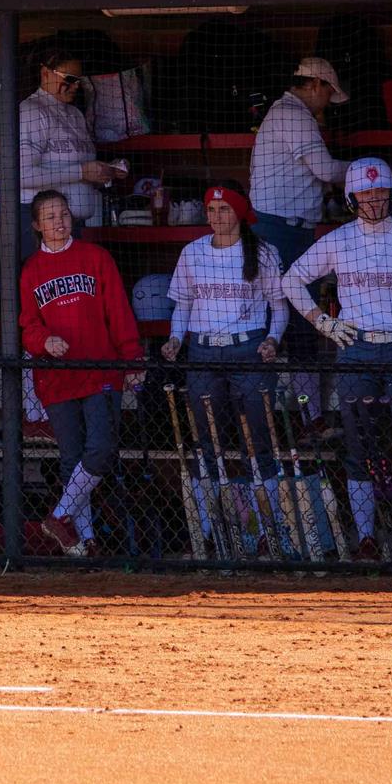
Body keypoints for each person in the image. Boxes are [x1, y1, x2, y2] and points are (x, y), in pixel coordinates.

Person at [282, 156, 392, 561]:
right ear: (352, 198)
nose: (374, 201)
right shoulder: (339, 240)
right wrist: (324, 323)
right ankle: (368, 538)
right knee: (359, 445)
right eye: (365, 194)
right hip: (356, 349)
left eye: (380, 193)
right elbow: (291, 280)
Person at [160, 183, 290, 550]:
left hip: (248, 351)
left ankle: (271, 529)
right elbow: (182, 305)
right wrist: (175, 338)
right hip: (202, 353)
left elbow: (279, 308)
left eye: (225, 210)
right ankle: (212, 531)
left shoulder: (263, 253)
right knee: (207, 442)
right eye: (212, 210)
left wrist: (272, 340)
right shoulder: (192, 253)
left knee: (258, 440)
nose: (217, 217)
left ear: (239, 213)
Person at [19, 189, 143, 557]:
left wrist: (133, 358)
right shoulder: (31, 271)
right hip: (57, 377)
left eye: (63, 213)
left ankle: (59, 515)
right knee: (72, 459)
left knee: (102, 448)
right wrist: (45, 341)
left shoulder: (95, 257)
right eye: (51, 217)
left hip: (100, 369)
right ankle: (85, 541)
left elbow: (118, 311)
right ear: (37, 226)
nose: (59, 222)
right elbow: (27, 325)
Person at [249, 56, 349, 396]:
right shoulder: (293, 114)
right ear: (317, 85)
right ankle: (292, 418)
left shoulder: (287, 112)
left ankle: (309, 419)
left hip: (290, 231)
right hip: (280, 232)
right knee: (284, 325)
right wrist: (366, 171)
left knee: (298, 327)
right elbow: (324, 169)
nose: (327, 103)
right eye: (328, 93)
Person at [17, 49, 124, 257]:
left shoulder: (74, 113)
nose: (76, 86)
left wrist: (106, 172)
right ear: (45, 73)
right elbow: (22, 175)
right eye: (70, 79)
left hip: (72, 225)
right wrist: (81, 172)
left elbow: (76, 167)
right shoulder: (31, 110)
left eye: (79, 80)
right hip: (41, 224)